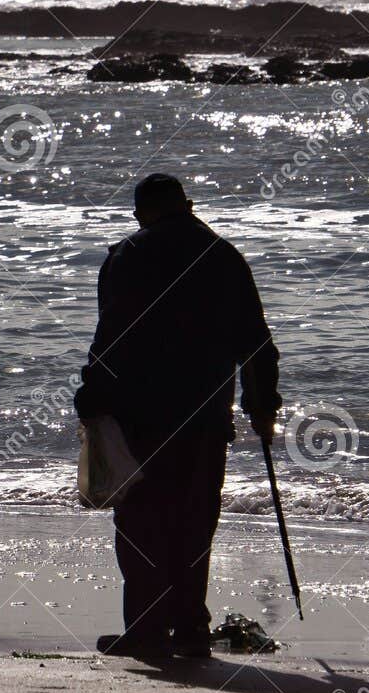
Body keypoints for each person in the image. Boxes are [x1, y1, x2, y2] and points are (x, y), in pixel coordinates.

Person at [74, 173, 280, 661]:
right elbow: (257, 346)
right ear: (186, 205)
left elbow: (111, 341)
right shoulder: (224, 256)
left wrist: (92, 396)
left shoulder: (128, 256)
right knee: (192, 523)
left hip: (140, 415)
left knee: (141, 523)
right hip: (204, 417)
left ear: (142, 212)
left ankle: (146, 630)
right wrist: (262, 408)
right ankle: (189, 630)